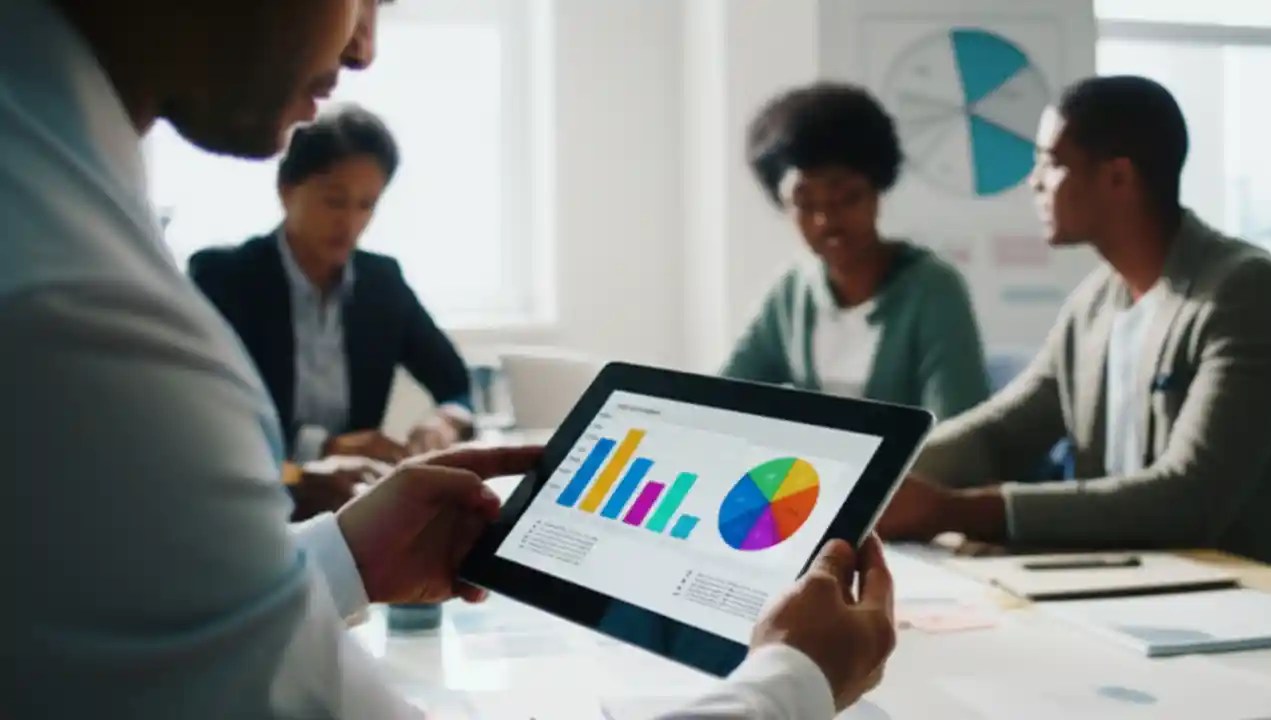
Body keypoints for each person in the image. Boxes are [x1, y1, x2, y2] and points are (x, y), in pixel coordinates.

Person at [0, 1, 896, 718]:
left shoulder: (53, 218)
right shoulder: (87, 313)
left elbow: (134, 610)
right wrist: (794, 683)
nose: (363, 47)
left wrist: (340, 558)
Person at [877, 76, 1271, 566]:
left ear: (1118, 178)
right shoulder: (1093, 303)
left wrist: (954, 511)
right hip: (1120, 580)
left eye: (1051, 163)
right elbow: (1001, 433)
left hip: (1237, 596)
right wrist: (874, 476)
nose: (1035, 182)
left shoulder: (1247, 291)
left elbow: (1190, 497)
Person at [190, 104, 473, 469]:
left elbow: (455, 382)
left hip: (353, 499)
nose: (350, 222)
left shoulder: (381, 282)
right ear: (286, 189)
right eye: (334, 201)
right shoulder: (226, 277)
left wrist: (444, 421)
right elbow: (210, 411)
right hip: (257, 486)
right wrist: (324, 449)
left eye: (367, 204)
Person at [723, 82, 989, 420]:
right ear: (782, 203)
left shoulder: (933, 289)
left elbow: (957, 427)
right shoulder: (792, 291)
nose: (826, 221)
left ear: (878, 189)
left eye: (847, 198)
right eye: (805, 203)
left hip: (914, 473)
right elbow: (727, 392)